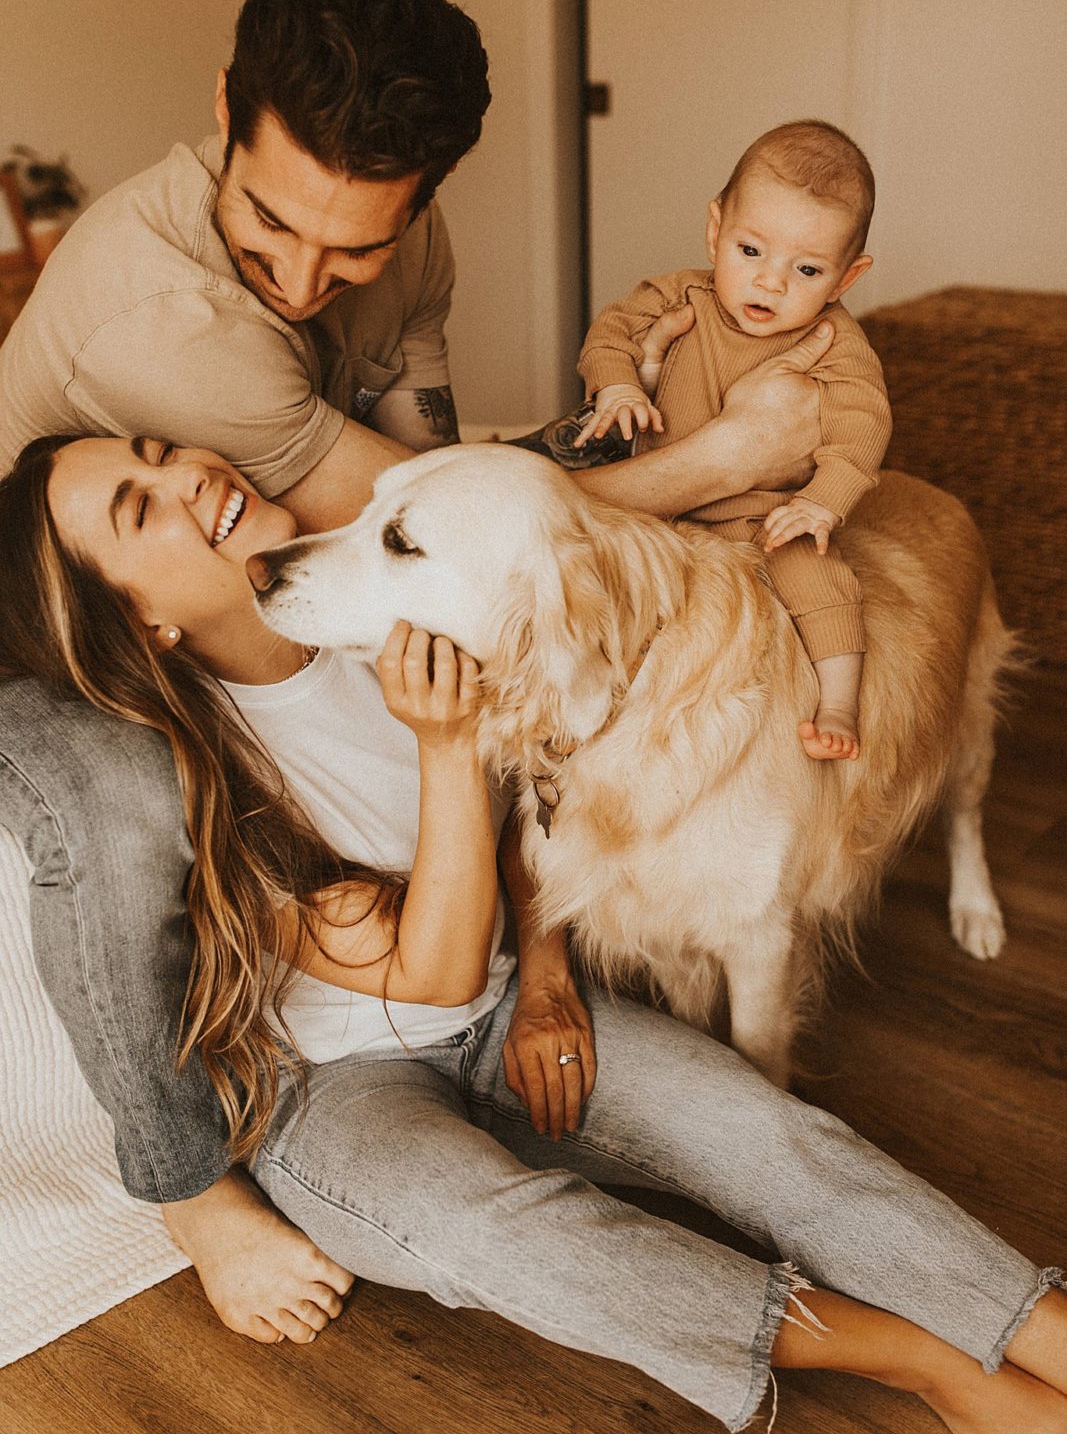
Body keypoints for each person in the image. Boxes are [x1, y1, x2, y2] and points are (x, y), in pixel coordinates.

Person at [0, 0, 835, 1301]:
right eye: (267, 226)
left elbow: (433, 463)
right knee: (115, 797)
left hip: (274, 521)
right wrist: (719, 462)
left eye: (353, 247)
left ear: (420, 201)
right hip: (43, 605)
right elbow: (446, 516)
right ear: (224, 111)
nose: (299, 278)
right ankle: (192, 1191)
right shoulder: (172, 331)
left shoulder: (412, 239)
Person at [1, 430, 1066, 1433]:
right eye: (144, 508)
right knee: (493, 1230)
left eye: (160, 450)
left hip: (511, 1006)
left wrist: (549, 974)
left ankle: (1042, 1328)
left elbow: (535, 818)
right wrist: (446, 744)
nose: (191, 473)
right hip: (337, 1089)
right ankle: (917, 1359)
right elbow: (428, 972)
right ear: (143, 623)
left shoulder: (409, 614)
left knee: (763, 1128)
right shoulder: (174, 772)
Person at [576, 120, 891, 761]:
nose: (770, 282)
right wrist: (618, 388)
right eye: (750, 252)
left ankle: (837, 702)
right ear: (716, 229)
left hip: (765, 518)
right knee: (600, 579)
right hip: (656, 499)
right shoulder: (674, 295)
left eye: (806, 268)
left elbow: (864, 422)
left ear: (846, 278)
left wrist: (821, 502)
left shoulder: (839, 344)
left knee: (820, 578)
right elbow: (609, 334)